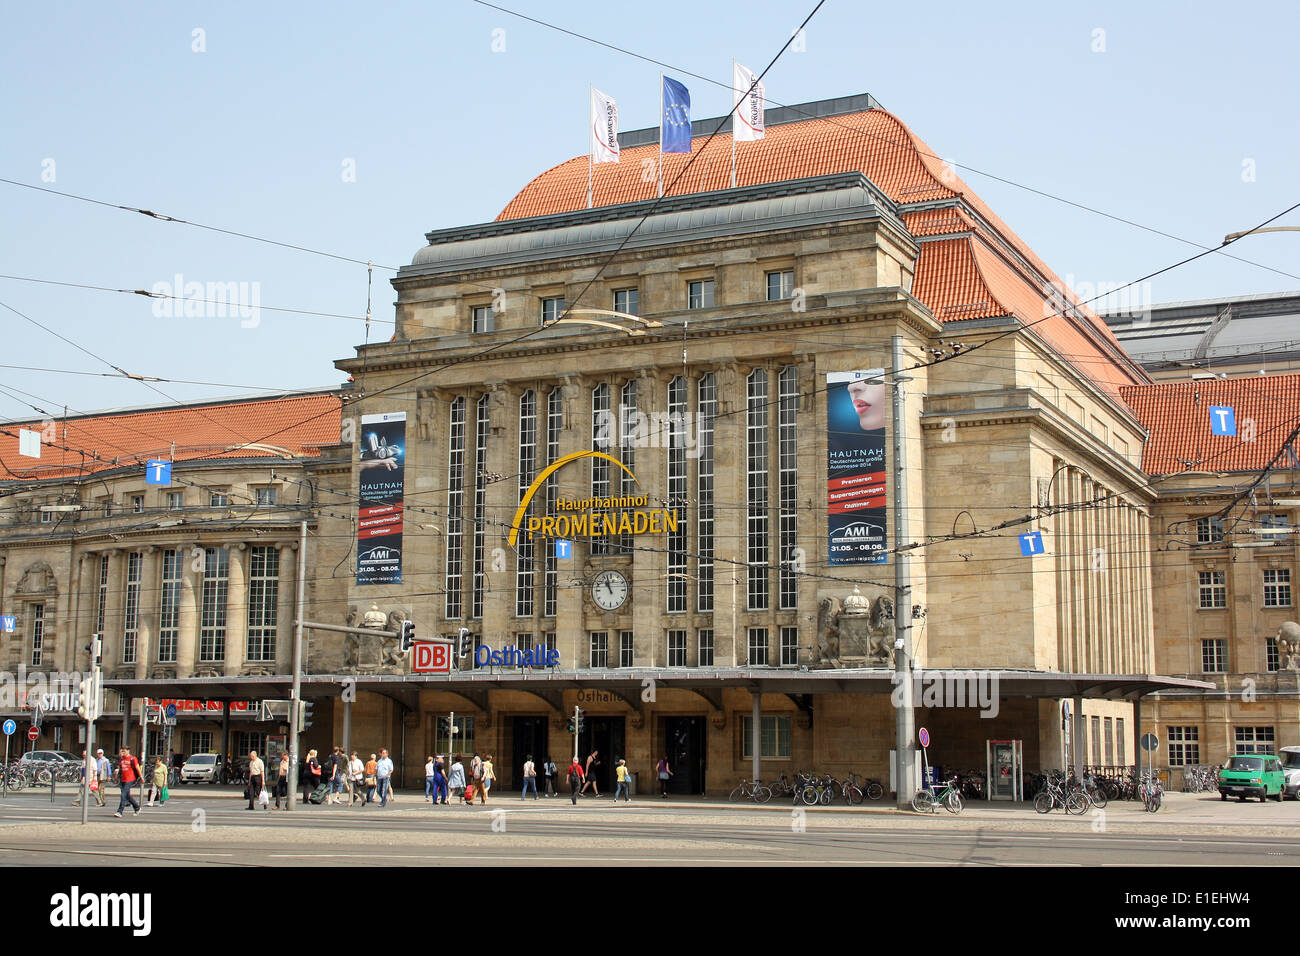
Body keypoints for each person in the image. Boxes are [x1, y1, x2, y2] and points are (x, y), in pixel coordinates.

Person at [115, 748, 141, 818]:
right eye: (122, 751)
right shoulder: (121, 759)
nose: (123, 752)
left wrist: (141, 777)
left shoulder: (133, 758)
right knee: (127, 795)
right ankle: (137, 807)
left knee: (123, 794)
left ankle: (119, 811)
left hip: (130, 779)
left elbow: (137, 768)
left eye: (124, 751)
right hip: (123, 779)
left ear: (128, 751)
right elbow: (120, 769)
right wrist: (116, 774)